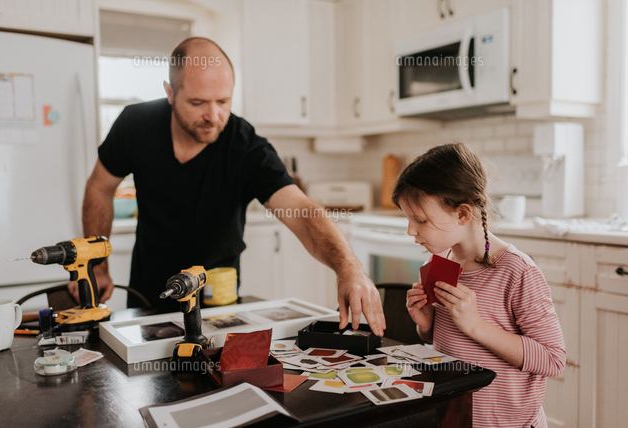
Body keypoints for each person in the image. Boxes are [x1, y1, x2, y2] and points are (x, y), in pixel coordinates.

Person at [72, 37, 385, 335]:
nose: (214, 115)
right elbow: (100, 187)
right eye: (198, 102)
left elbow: (302, 211)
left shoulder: (245, 146)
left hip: (216, 302)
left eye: (223, 101)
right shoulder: (135, 125)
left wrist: (349, 269)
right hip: (147, 297)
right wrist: (96, 266)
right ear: (170, 92)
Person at [397, 143, 565, 428]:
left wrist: (475, 325)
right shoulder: (438, 263)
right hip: (455, 417)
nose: (411, 231)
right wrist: (426, 326)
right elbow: (446, 344)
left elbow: (552, 359)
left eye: (420, 220)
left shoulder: (516, 271)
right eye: (409, 219)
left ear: (462, 214)